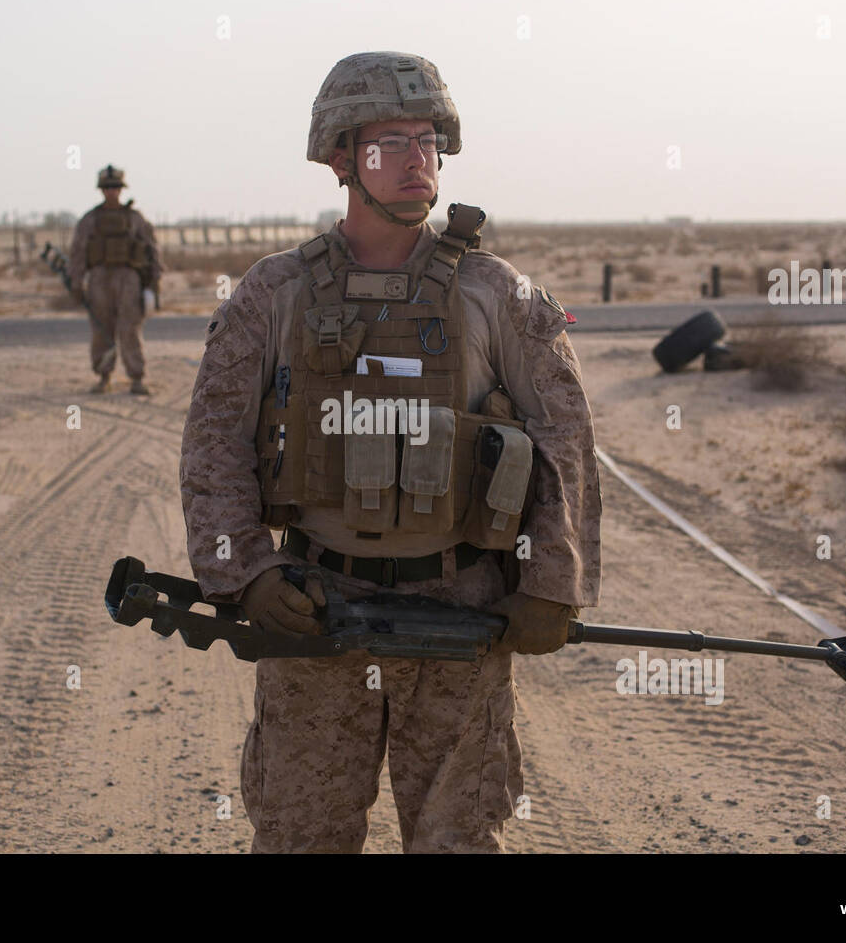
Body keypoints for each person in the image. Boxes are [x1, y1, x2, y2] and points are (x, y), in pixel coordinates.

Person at [179, 52, 602, 853]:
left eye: (428, 141)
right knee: (303, 837)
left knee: (456, 839)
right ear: (343, 159)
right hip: (314, 614)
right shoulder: (271, 294)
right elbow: (214, 446)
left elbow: (564, 442)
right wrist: (249, 573)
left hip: (460, 616)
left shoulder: (494, 292)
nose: (418, 160)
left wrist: (552, 581)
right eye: (391, 143)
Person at [67, 165, 163, 394]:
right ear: (101, 190)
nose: (111, 192)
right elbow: (78, 252)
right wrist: (76, 282)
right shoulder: (90, 220)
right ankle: (104, 375)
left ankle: (137, 377)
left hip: (128, 279)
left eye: (115, 187)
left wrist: (154, 282)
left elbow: (152, 251)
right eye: (107, 188)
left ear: (121, 190)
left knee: (129, 328)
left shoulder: (135, 219)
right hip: (99, 278)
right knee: (101, 329)